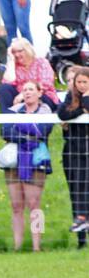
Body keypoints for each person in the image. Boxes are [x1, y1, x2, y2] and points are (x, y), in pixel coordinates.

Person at [1, 80, 55, 252]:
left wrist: (19, 130)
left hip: (37, 159)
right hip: (13, 161)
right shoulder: (14, 110)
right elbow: (5, 131)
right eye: (24, 90)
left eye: (31, 89)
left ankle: (36, 246)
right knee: (16, 205)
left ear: (40, 93)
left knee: (34, 203)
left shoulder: (46, 111)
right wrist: (26, 136)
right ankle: (17, 246)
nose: (27, 92)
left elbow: (43, 130)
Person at [57, 65, 89, 245]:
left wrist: (86, 100)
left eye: (85, 82)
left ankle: (84, 219)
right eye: (79, 82)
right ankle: (81, 235)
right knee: (76, 188)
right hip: (75, 150)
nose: (82, 85)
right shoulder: (71, 96)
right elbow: (62, 113)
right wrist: (80, 110)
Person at [0, 39, 58, 112]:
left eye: (20, 51)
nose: (17, 55)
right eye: (14, 52)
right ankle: (8, 121)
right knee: (5, 88)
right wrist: (11, 60)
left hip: (42, 95)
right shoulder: (14, 65)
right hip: (20, 98)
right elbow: (7, 82)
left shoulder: (41, 62)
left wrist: (24, 94)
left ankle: (37, 122)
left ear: (28, 50)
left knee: (33, 95)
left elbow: (45, 84)